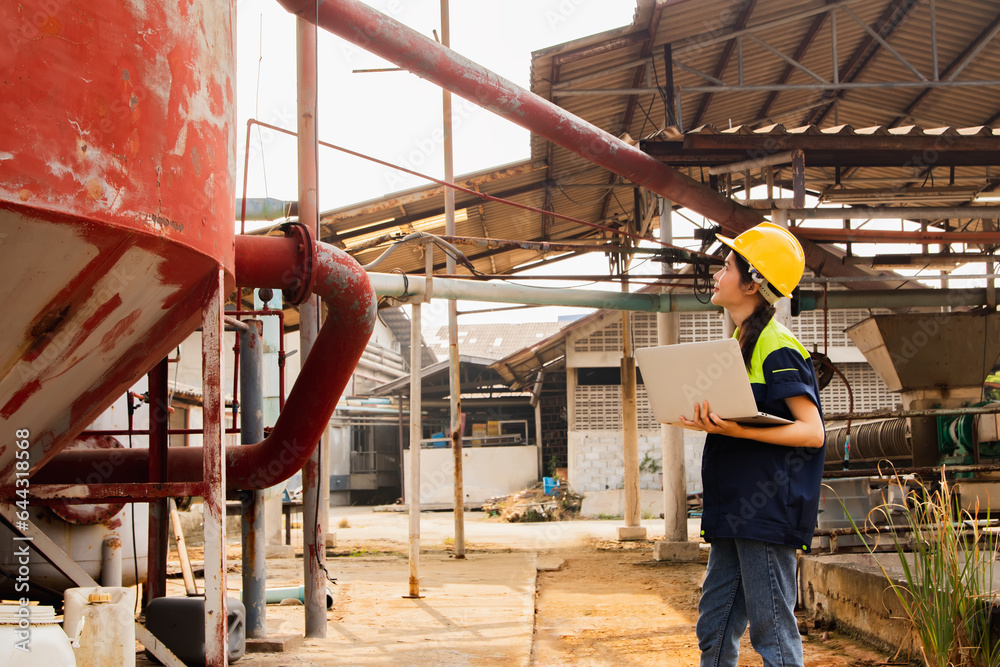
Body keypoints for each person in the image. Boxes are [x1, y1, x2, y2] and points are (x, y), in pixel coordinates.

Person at [679, 222, 826, 667]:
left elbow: (812, 431)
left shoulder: (777, 346)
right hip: (735, 507)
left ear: (753, 281)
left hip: (764, 509)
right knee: (715, 623)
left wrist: (735, 430)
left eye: (727, 266)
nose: (719, 275)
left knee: (772, 632)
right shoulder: (740, 342)